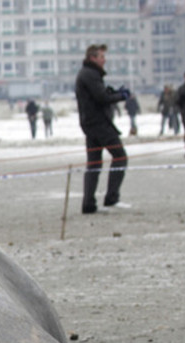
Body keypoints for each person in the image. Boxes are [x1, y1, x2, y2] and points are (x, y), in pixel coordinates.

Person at [74, 43, 129, 215]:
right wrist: (120, 96)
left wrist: (112, 92)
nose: (104, 60)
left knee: (94, 163)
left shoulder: (89, 74)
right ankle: (111, 199)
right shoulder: (89, 74)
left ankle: (89, 204)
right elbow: (101, 97)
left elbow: (99, 94)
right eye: (102, 57)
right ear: (93, 58)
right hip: (99, 124)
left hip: (90, 123)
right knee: (120, 157)